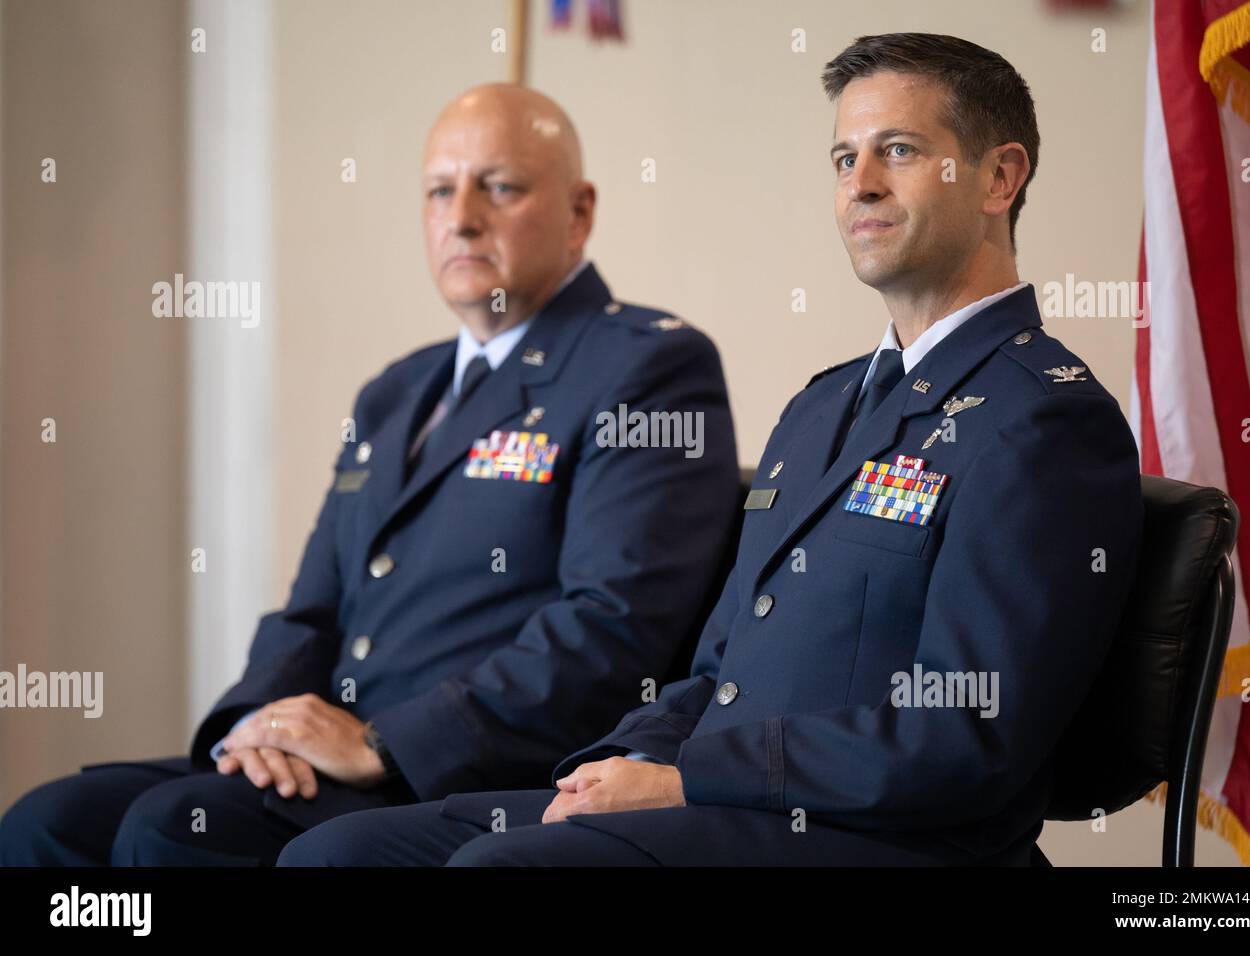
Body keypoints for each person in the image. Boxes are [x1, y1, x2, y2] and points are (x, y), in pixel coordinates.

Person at [278, 33, 1143, 867]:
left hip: (881, 839)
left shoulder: (1043, 420)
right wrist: (618, 761)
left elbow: (966, 734)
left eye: (900, 150)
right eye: (844, 159)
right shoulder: (821, 406)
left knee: (506, 867)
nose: (862, 185)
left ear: (1000, 176)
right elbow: (715, 671)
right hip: (727, 806)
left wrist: (685, 778)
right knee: (340, 851)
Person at [0, 83, 739, 866]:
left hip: (466, 763)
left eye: (500, 187)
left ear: (579, 211)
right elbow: (311, 609)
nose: (461, 218)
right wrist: (260, 725)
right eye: (438, 191)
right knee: (49, 821)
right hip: (338, 749)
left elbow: (612, 628)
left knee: (178, 825)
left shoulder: (647, 366)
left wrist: (385, 741)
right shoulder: (396, 391)